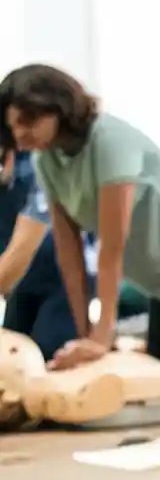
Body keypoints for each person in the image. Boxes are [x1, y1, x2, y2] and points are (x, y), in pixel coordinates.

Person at [0, 64, 160, 382]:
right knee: (157, 387)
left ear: (57, 109)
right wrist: (85, 336)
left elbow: (112, 248)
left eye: (28, 121)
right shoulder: (46, 162)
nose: (20, 135)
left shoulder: (109, 139)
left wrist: (103, 335)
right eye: (13, 127)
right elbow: (70, 255)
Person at [0, 144, 85, 359]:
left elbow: (20, 255)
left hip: (63, 279)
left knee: (49, 361)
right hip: (22, 285)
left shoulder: (37, 164)